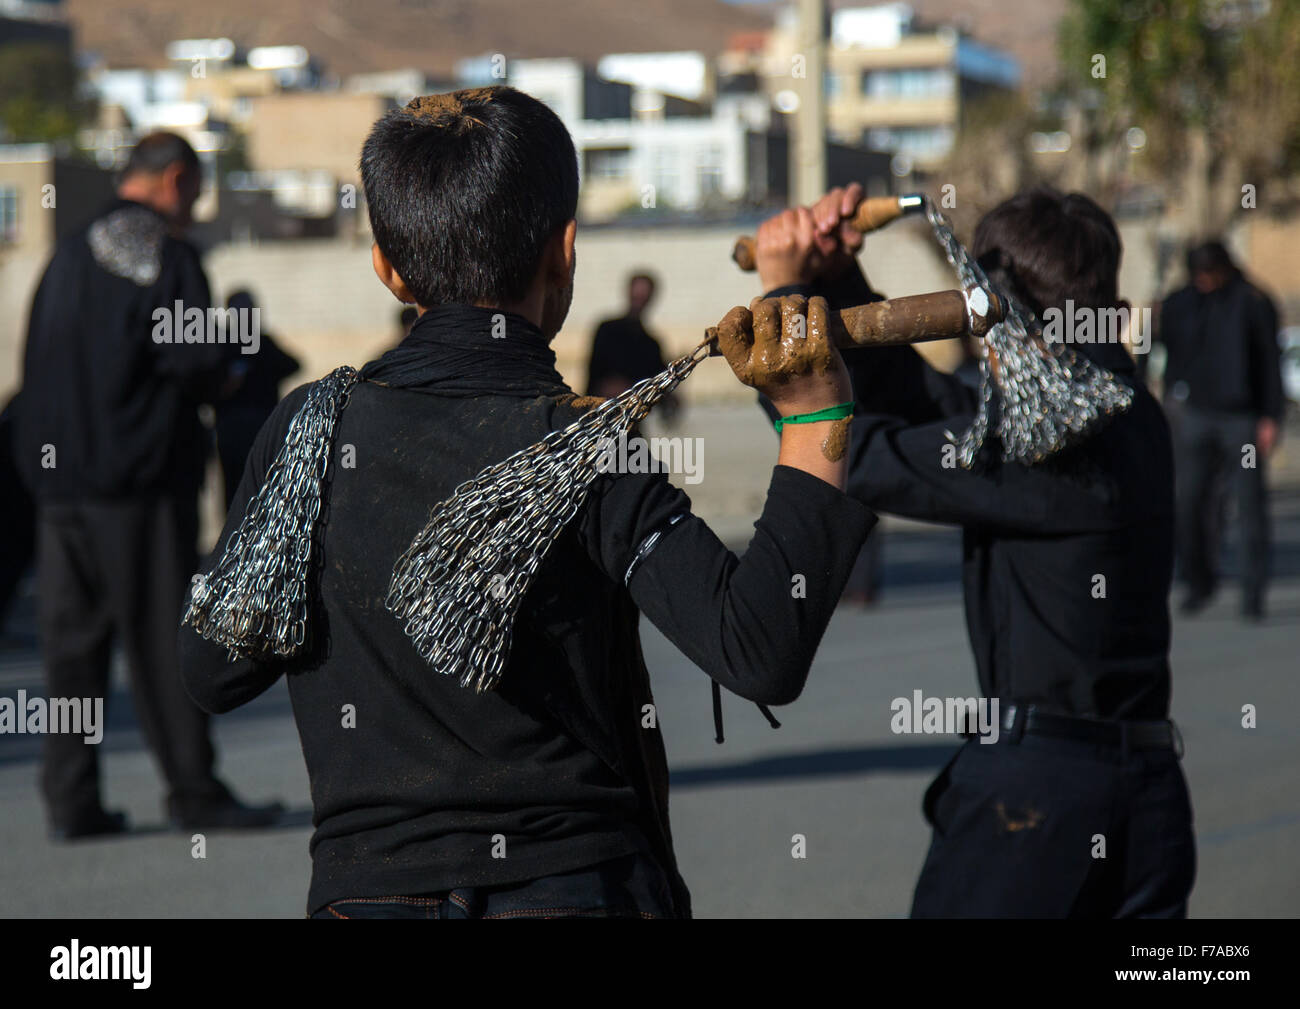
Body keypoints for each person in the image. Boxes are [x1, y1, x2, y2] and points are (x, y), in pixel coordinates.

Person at [177, 87, 873, 919]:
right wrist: (815, 420)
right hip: (576, 890)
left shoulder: (309, 432)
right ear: (564, 252)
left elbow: (213, 669)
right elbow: (758, 649)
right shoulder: (585, 447)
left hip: (365, 898)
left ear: (386, 265)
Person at [752, 184, 1195, 918]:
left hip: (1040, 807)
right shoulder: (1123, 409)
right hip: (1143, 797)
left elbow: (860, 454)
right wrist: (834, 278)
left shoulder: (1061, 440)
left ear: (993, 309)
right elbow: (926, 402)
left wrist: (783, 300)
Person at [16, 132, 284, 839]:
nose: (194, 208)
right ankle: (194, 792)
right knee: (164, 642)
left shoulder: (68, 254)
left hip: (61, 491)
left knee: (71, 652)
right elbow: (195, 362)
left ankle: (71, 800)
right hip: (137, 485)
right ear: (174, 180)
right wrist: (232, 367)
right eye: (194, 193)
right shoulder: (166, 255)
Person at [1154, 241, 1284, 620]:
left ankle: (1253, 592)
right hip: (1194, 416)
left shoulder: (1253, 302)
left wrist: (1270, 417)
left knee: (1249, 506)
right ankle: (1199, 580)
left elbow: (1270, 362)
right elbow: (1158, 349)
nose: (1205, 280)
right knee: (1188, 501)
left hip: (1242, 420)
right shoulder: (1180, 303)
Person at [214, 290, 300, 510]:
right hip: (234, 429)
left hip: (260, 428)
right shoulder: (225, 344)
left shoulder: (261, 343)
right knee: (236, 492)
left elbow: (292, 365)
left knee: (263, 487)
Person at [586, 272, 680, 424]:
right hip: (599, 416)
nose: (639, 301)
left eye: (643, 297)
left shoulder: (651, 345)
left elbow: (660, 387)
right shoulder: (607, 330)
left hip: (630, 423)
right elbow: (596, 375)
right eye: (637, 296)